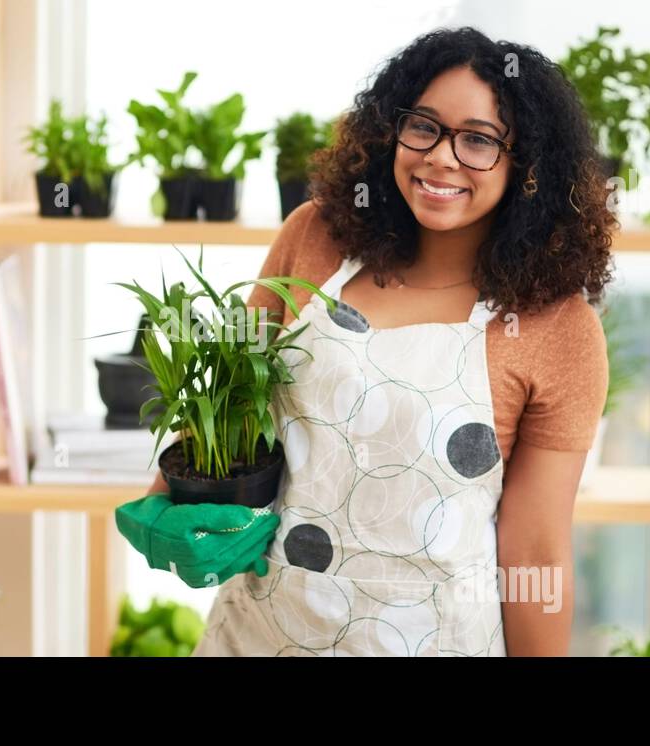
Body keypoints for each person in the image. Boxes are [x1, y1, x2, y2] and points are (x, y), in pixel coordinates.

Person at [118, 26, 612, 656]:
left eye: (479, 140)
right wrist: (176, 500)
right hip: (262, 634)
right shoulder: (316, 239)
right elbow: (232, 395)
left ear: (527, 169)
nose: (441, 157)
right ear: (391, 130)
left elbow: (535, 549)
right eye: (424, 126)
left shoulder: (557, 329)